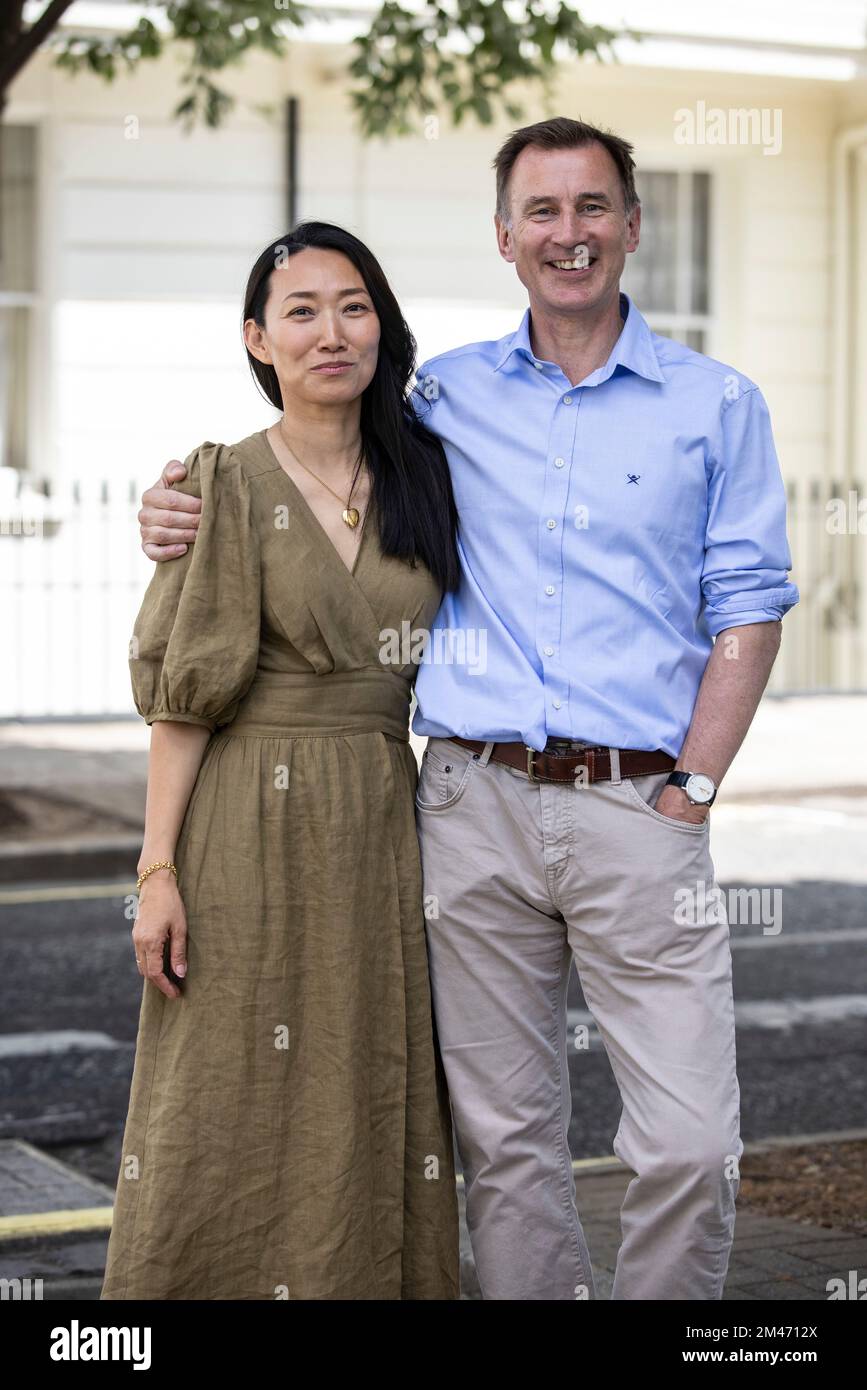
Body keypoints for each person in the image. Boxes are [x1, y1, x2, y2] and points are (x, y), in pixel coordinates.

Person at [138, 118, 800, 1301]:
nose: (569, 234)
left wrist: (693, 787)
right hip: (468, 803)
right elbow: (295, 454)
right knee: (504, 1148)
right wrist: (172, 507)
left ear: (633, 226)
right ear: (504, 237)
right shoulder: (446, 399)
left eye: (593, 207)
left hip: (640, 803)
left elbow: (751, 606)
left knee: (689, 1144)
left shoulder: (717, 403)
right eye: (541, 212)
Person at [102, 221, 462, 1300]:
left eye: (352, 305)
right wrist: (155, 872)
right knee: (218, 1086)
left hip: (382, 822)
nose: (329, 332)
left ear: (382, 324)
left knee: (366, 1072)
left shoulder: (433, 472)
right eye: (299, 312)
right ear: (258, 340)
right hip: (240, 827)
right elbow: (183, 702)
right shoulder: (216, 483)